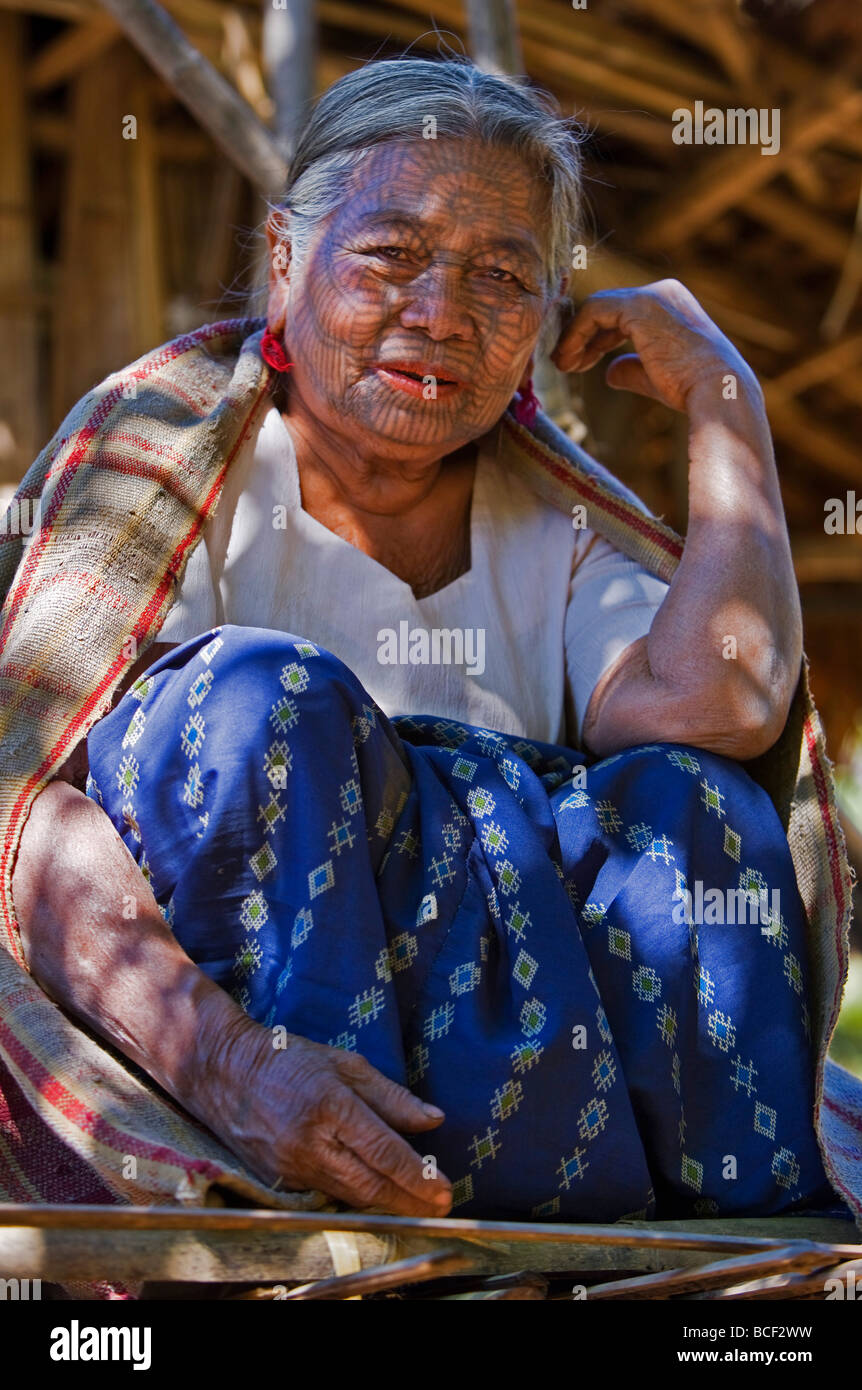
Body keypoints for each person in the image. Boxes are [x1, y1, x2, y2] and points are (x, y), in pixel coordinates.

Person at [11, 58, 838, 1221]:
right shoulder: (161, 477)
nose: (443, 311)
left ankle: (686, 1237)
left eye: (503, 276)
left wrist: (721, 395)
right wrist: (233, 1067)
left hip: (532, 1098)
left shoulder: (556, 525)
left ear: (541, 325)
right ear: (286, 261)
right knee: (259, 697)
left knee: (692, 802)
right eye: (391, 255)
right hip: (226, 1078)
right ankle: (317, 1187)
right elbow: (25, 802)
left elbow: (732, 705)